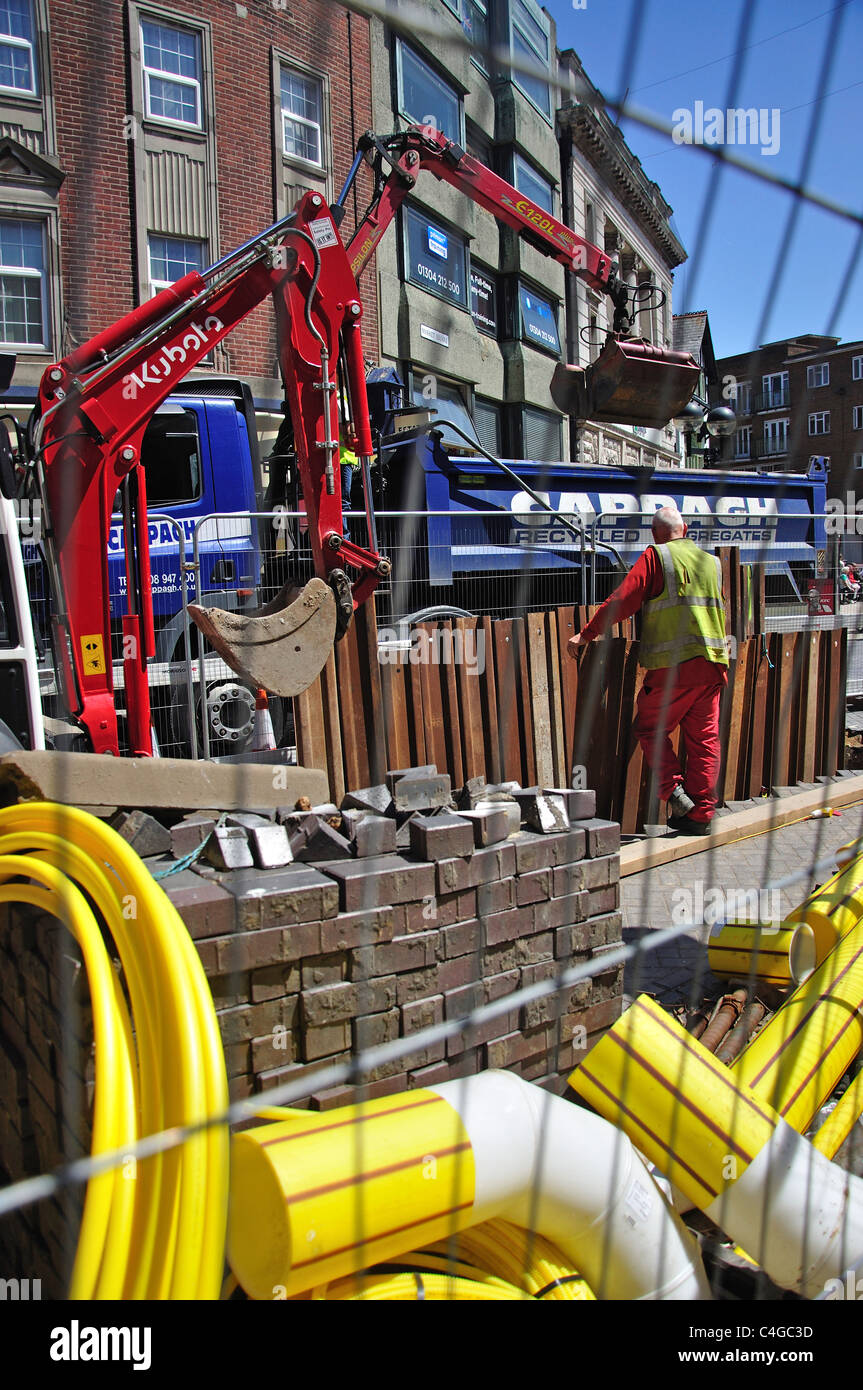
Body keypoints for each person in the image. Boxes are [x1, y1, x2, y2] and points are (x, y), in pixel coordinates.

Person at [567, 505, 729, 834]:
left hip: (674, 669)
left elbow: (623, 599)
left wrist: (586, 633)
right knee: (705, 741)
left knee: (650, 730)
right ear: (685, 528)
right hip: (712, 666)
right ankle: (702, 816)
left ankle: (674, 793)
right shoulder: (712, 563)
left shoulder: (658, 557)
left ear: (655, 534)